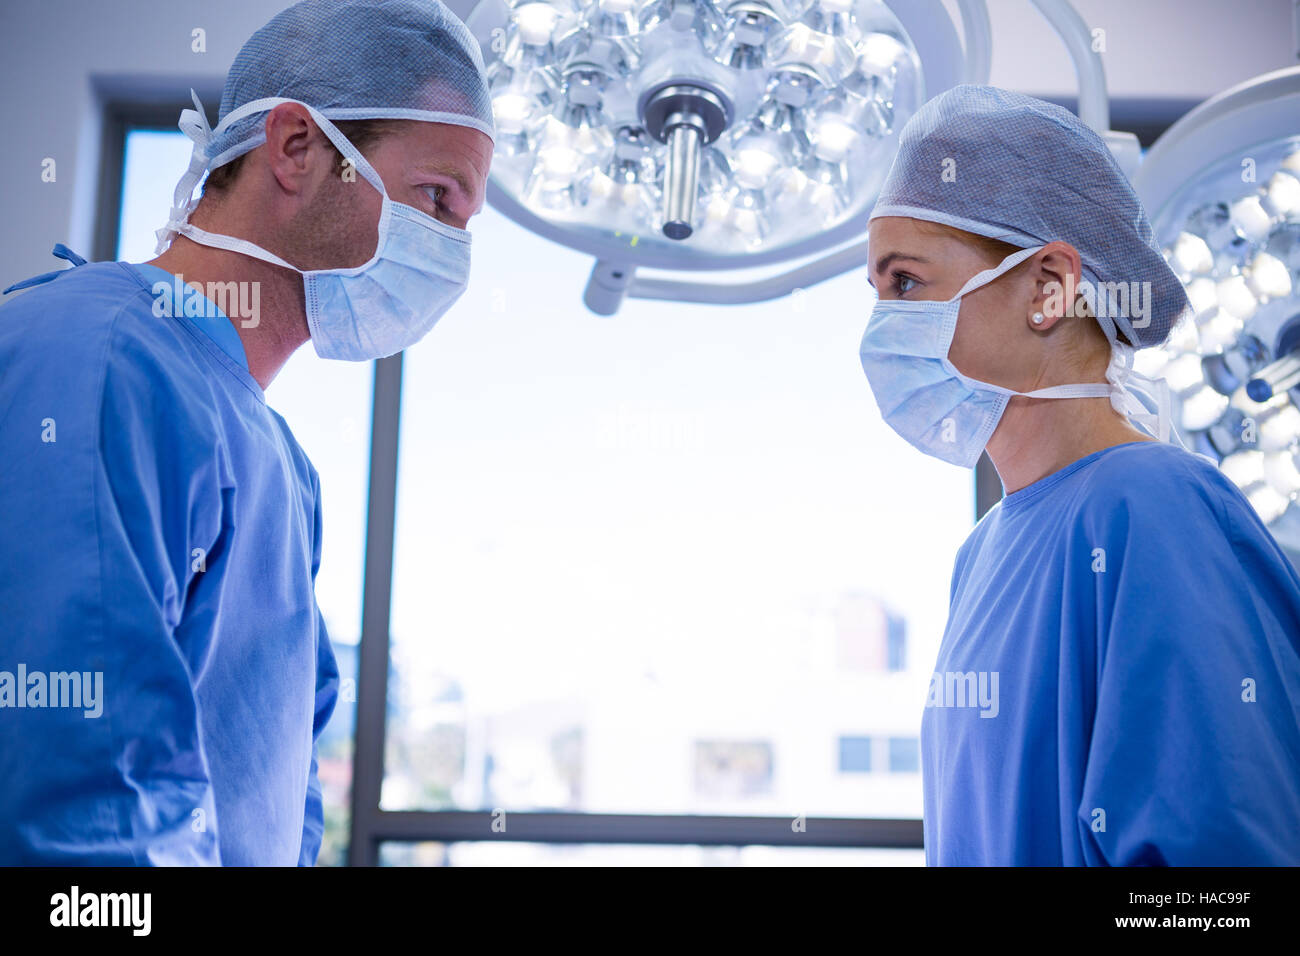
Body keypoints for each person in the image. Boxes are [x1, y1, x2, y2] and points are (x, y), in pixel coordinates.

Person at [0, 0, 495, 865]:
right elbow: (79, 804)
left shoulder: (284, 472)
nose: (452, 249)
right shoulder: (99, 359)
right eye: (436, 198)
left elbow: (277, 797)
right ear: (297, 147)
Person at [859, 85, 1300, 865]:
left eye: (906, 283)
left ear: (1049, 287)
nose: (882, 325)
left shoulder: (1153, 507)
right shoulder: (981, 556)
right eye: (878, 292)